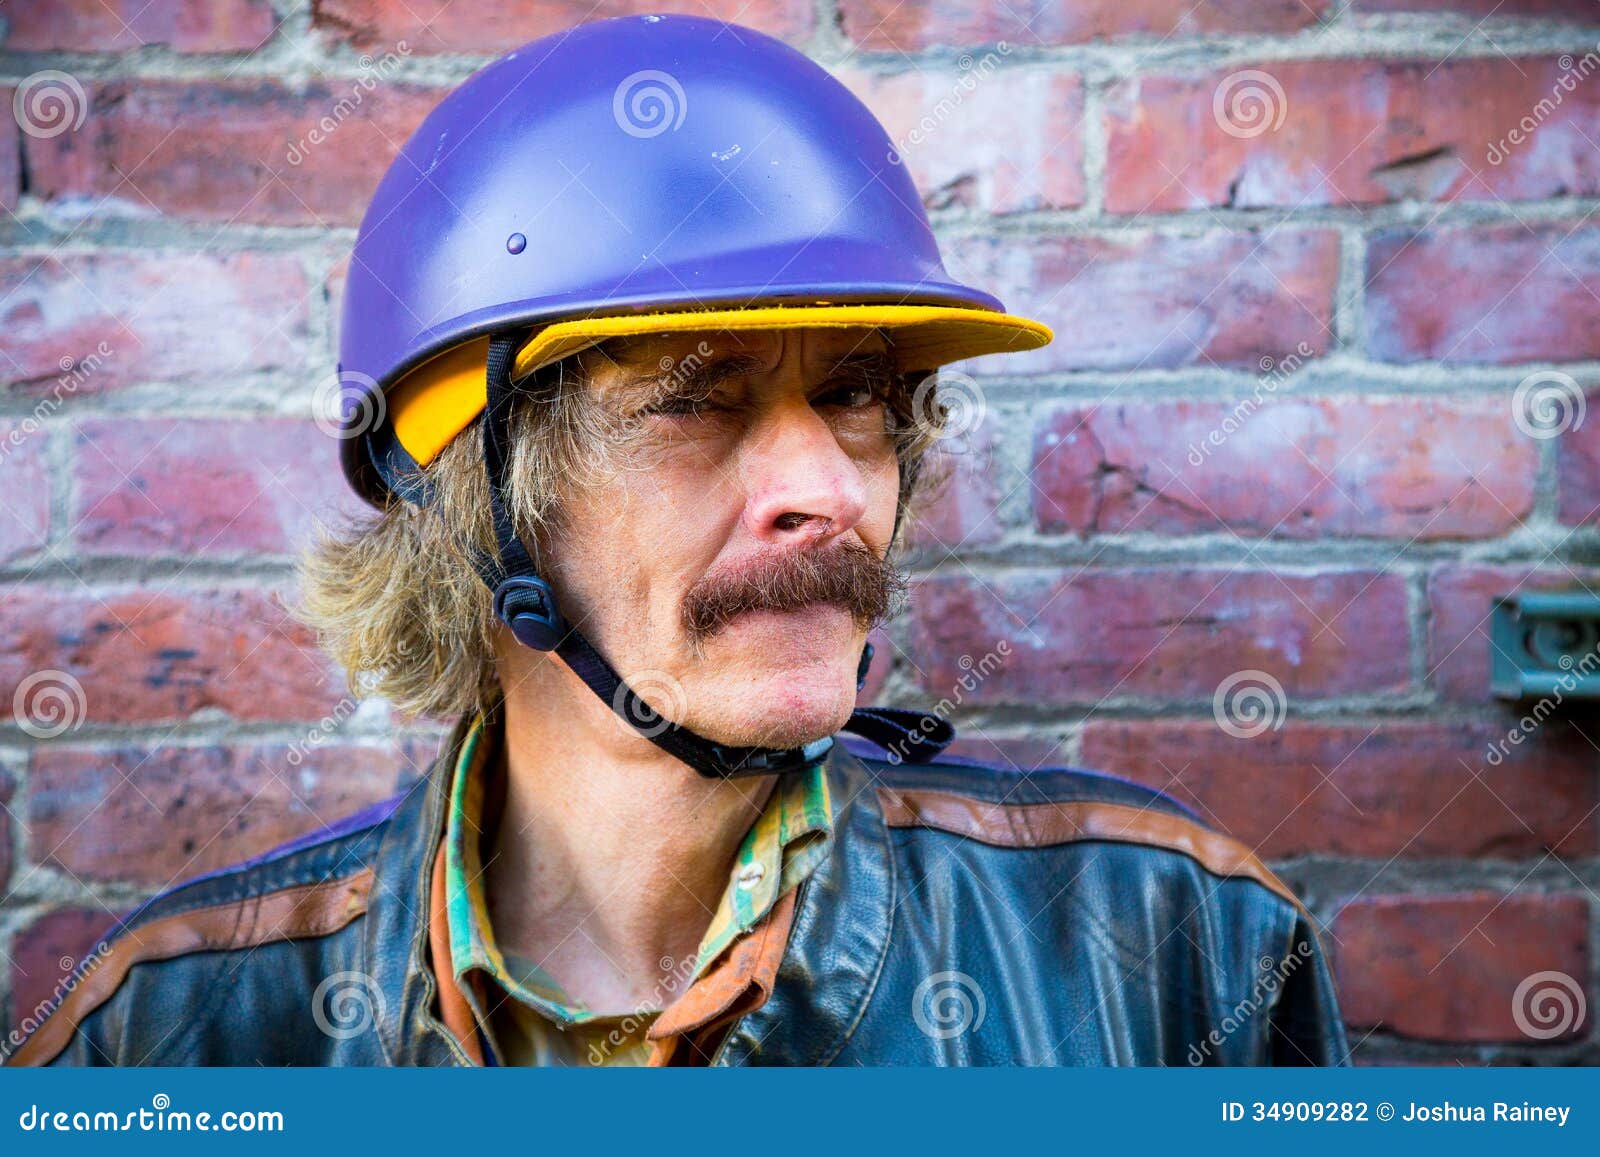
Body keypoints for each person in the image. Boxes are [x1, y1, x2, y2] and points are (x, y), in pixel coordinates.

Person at [9, 14, 1346, 1067]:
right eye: (694, 401)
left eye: (857, 396)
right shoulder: (172, 1031)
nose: (826, 485)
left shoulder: (1174, 948)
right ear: (483, 509)